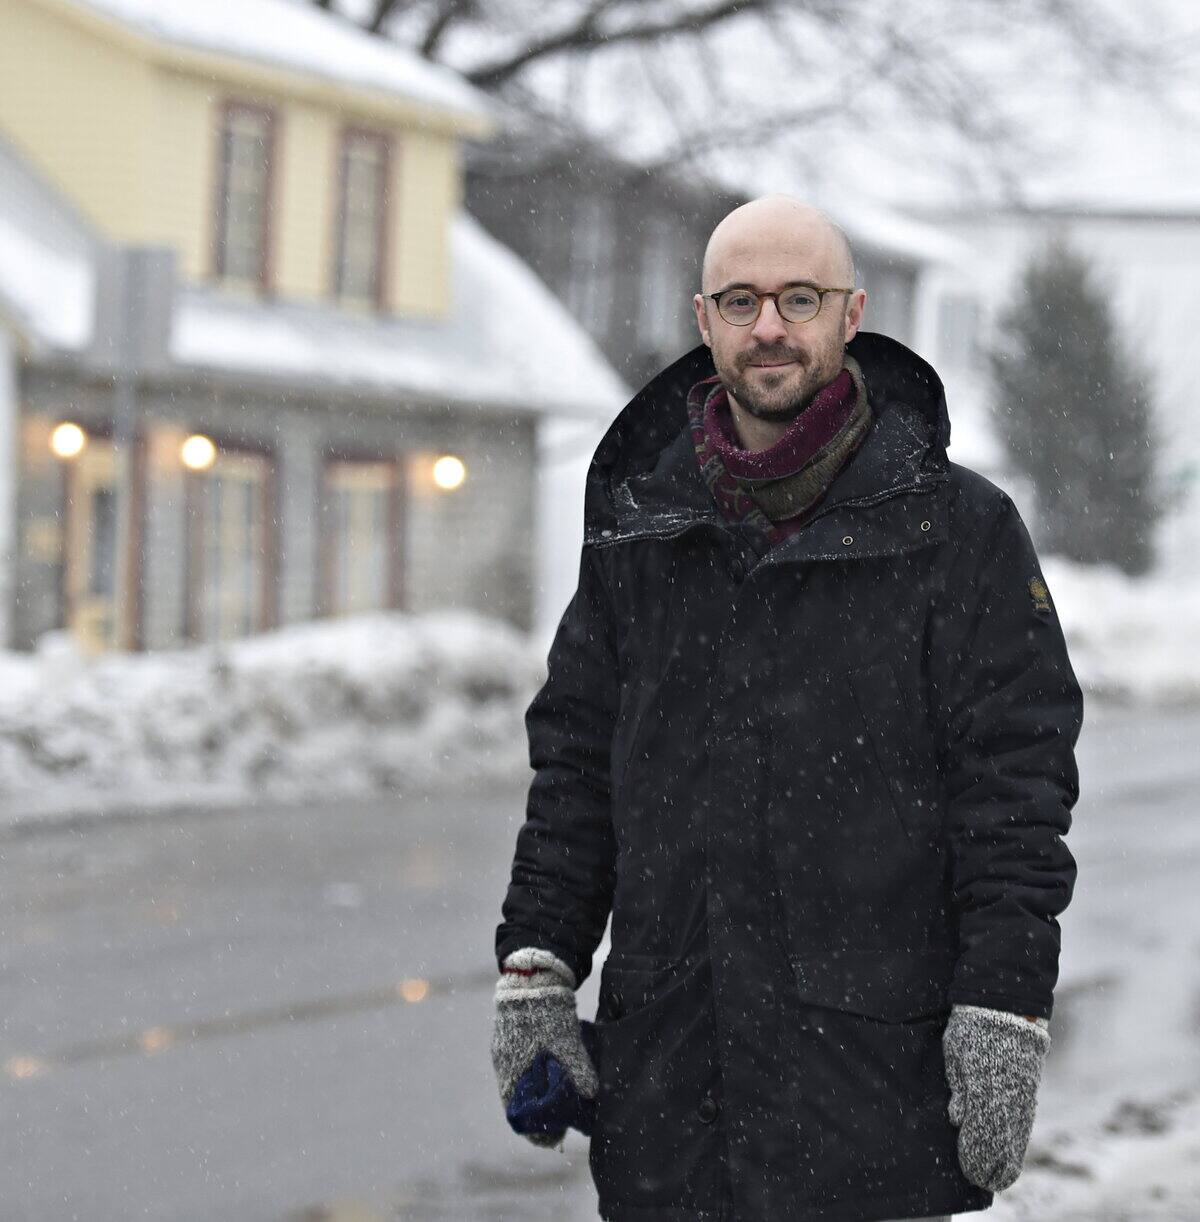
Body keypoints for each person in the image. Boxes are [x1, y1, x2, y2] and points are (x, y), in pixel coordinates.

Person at [491, 194, 1083, 1222]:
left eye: (799, 298)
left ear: (852, 313)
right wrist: (538, 965)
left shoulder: (958, 531)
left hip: (868, 1097)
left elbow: (1015, 796)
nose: (769, 325)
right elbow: (577, 770)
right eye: (741, 300)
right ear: (704, 319)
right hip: (672, 1098)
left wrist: (1003, 1005)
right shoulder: (641, 529)